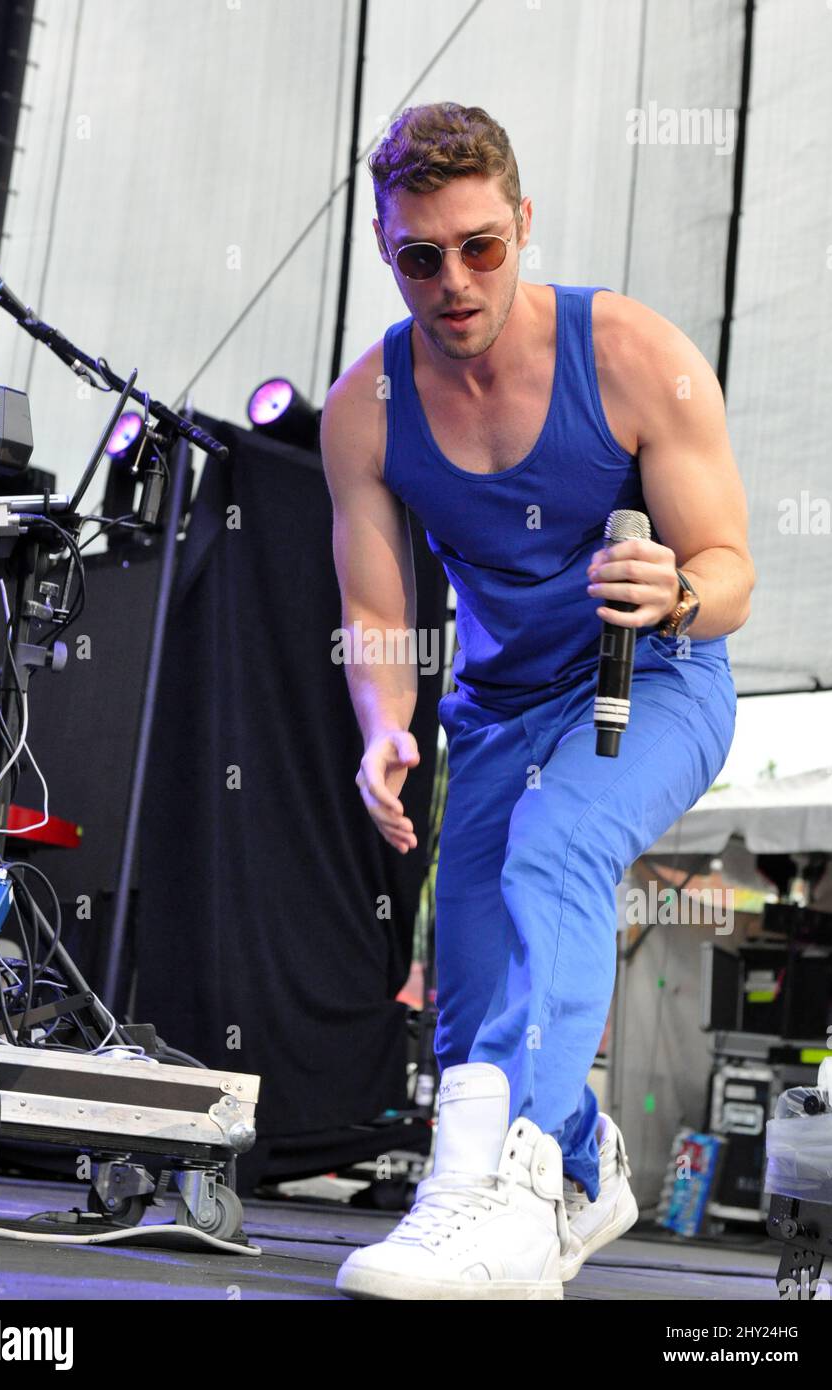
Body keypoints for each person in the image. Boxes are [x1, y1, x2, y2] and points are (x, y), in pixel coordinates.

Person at [320, 102, 754, 1300]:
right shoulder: (365, 409)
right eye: (420, 256)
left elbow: (729, 573)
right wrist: (386, 726)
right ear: (383, 246)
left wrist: (673, 588)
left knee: (553, 855)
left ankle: (498, 1203)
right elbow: (377, 612)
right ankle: (578, 1162)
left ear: (522, 223)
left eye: (480, 247)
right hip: (501, 712)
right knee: (470, 992)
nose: (452, 282)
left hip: (650, 679)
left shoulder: (627, 355)